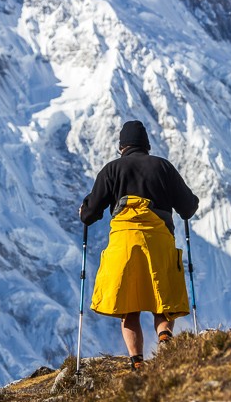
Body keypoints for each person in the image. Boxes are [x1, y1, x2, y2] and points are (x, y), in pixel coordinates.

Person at [79, 120, 199, 370]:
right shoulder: (163, 167)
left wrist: (85, 208)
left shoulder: (111, 170)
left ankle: (138, 364)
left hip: (124, 245)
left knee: (128, 309)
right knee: (163, 302)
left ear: (121, 146)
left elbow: (89, 215)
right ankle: (165, 339)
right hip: (159, 241)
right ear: (147, 145)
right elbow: (188, 207)